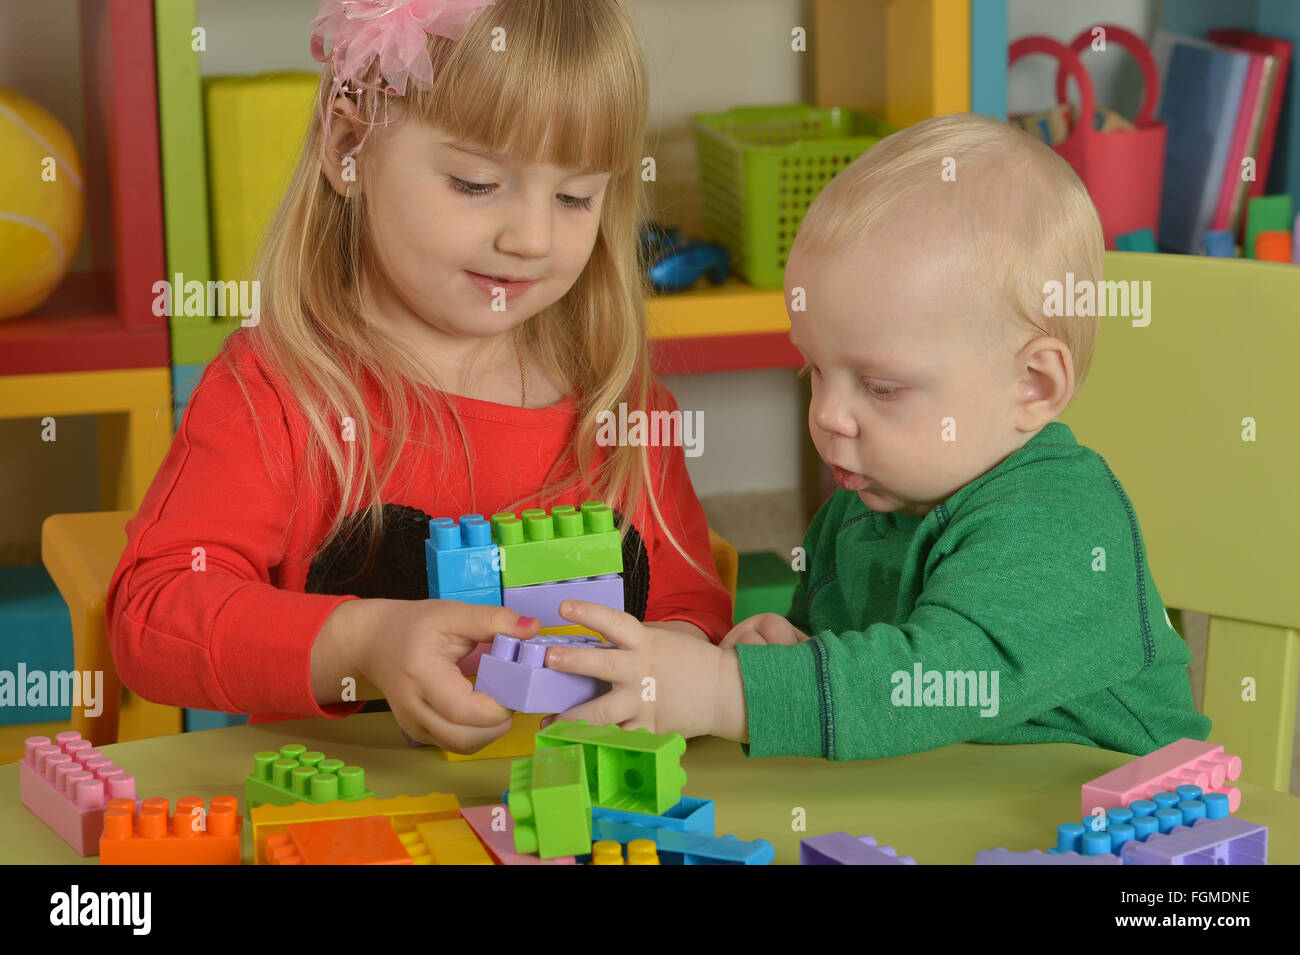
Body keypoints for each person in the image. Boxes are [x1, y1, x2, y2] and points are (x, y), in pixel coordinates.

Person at [107, 0, 731, 754]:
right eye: (474, 183)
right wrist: (358, 639)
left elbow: (690, 609)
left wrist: (688, 662)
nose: (530, 237)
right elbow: (153, 612)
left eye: (574, 197)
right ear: (348, 149)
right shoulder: (276, 390)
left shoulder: (623, 410)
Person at [550, 113, 1210, 759]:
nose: (829, 414)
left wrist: (729, 692)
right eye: (812, 368)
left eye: (882, 387)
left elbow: (933, 684)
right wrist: (791, 650)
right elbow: (858, 679)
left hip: (1111, 821)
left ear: (1033, 386)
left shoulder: (1064, 527)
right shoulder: (862, 507)